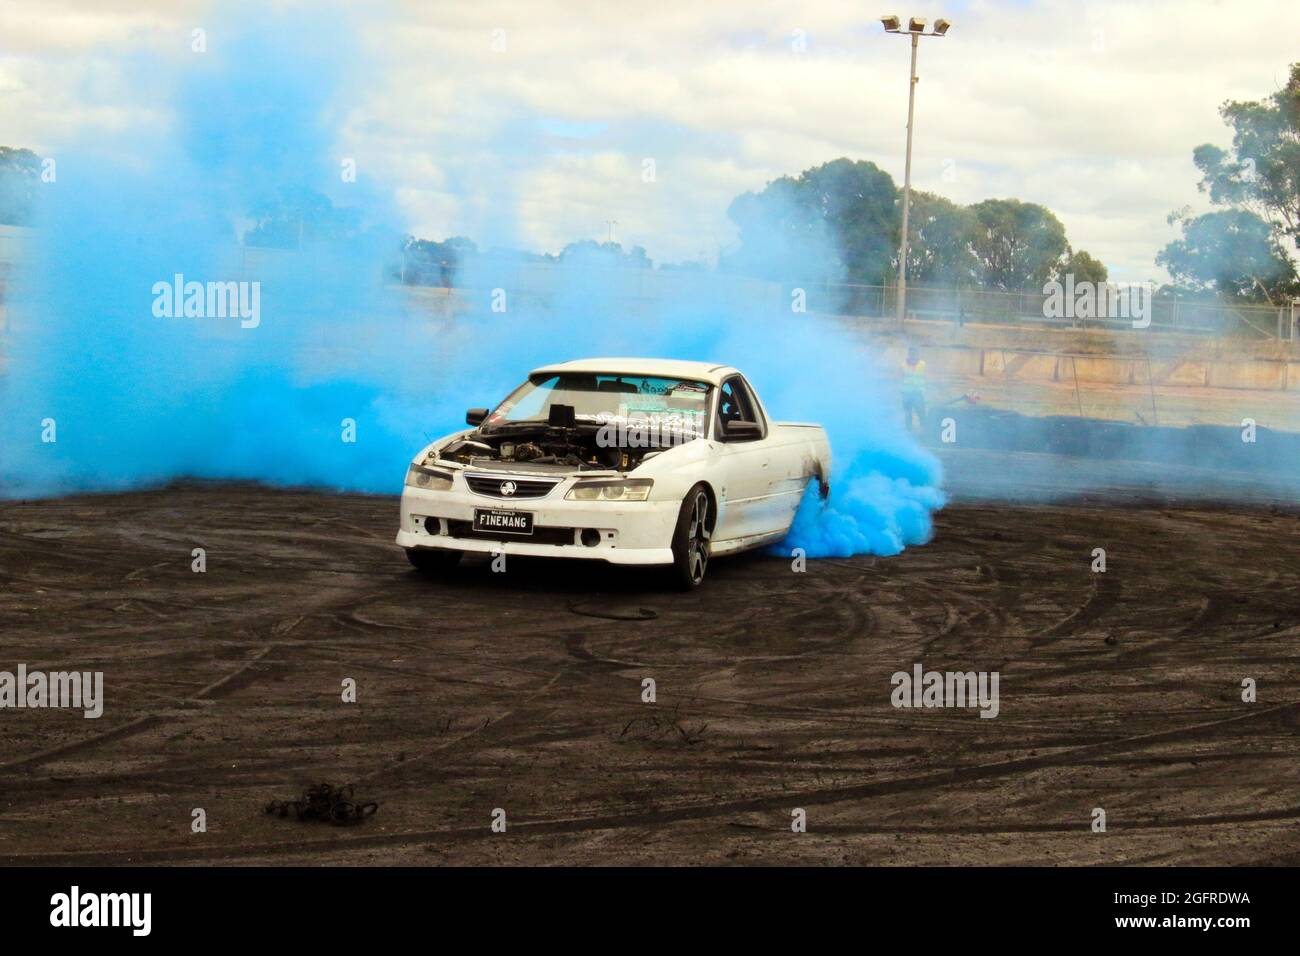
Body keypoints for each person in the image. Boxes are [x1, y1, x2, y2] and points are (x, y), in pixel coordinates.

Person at [901, 345, 926, 433]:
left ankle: (924, 431)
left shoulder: (922, 364)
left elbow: (927, 376)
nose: (913, 354)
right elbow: (900, 377)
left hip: (918, 393)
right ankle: (909, 432)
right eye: (911, 353)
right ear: (909, 353)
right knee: (908, 414)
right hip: (906, 393)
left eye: (915, 353)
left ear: (918, 353)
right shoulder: (903, 364)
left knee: (921, 412)